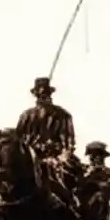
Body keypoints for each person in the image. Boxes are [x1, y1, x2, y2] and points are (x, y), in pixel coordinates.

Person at [14, 77, 78, 209]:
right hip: (30, 160)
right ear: (36, 95)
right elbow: (18, 140)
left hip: (55, 160)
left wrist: (60, 159)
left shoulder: (63, 115)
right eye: (40, 94)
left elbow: (69, 144)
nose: (43, 97)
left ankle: (70, 207)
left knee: (66, 179)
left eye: (46, 94)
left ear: (50, 95)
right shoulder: (26, 116)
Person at [77, 141, 110, 220]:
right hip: (81, 207)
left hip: (98, 212)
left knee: (99, 198)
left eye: (97, 156)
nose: (94, 159)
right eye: (92, 156)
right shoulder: (83, 170)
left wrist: (97, 187)